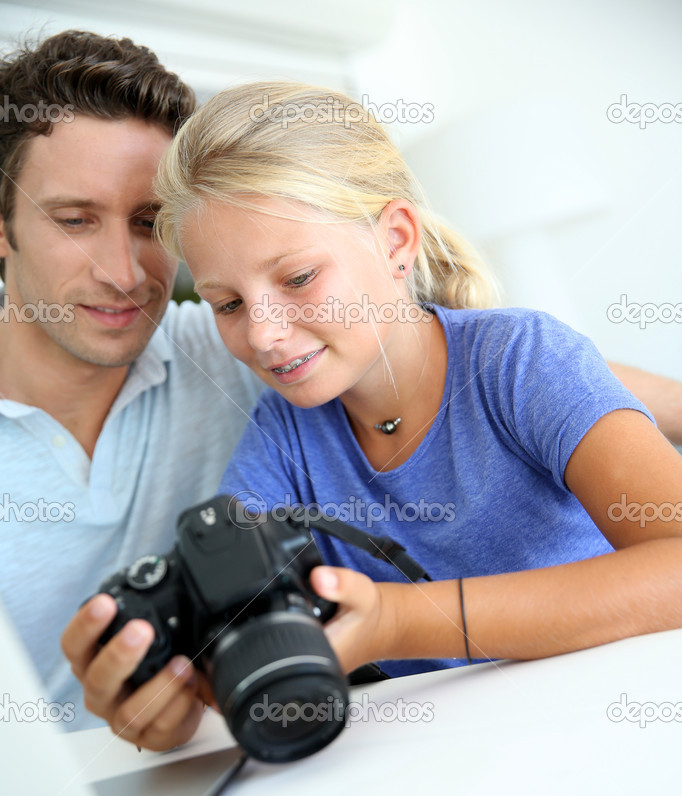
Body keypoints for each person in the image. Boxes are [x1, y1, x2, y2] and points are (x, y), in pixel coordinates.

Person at [62, 80, 682, 750]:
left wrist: (400, 620)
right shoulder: (283, 438)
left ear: (394, 240)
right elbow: (240, 609)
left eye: (298, 279)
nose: (264, 334)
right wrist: (186, 688)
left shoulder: (521, 362)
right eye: (228, 304)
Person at [0, 32, 262, 729]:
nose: (123, 272)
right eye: (76, 220)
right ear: (3, 226)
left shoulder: (248, 349)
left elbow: (471, 360)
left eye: (150, 222)